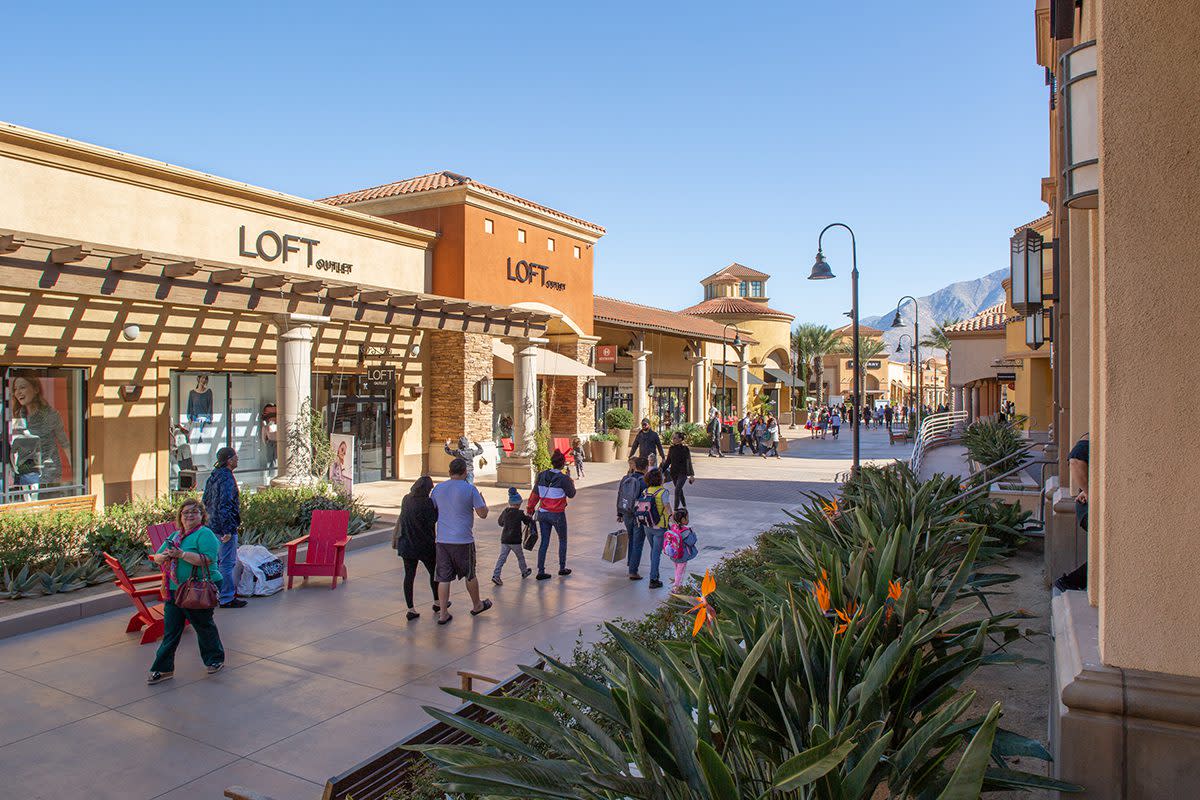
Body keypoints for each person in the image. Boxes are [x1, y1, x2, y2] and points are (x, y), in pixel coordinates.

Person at [146, 498, 225, 684]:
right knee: (171, 630)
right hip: (174, 589)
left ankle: (215, 659)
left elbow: (208, 559)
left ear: (202, 516)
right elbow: (157, 556)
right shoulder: (175, 536)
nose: (189, 515)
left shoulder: (205, 534)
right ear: (180, 516)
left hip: (199, 587)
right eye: (185, 512)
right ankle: (162, 669)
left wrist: (181, 555)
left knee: (203, 625)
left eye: (194, 512)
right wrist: (163, 556)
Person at [430, 458, 491, 624]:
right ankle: (477, 605)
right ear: (465, 472)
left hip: (442, 539)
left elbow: (433, 509)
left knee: (443, 577)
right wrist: (483, 503)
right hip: (463, 539)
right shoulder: (470, 489)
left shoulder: (438, 489)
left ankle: (443, 613)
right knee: (470, 574)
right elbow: (483, 514)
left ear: (449, 472)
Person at [10, 371, 71, 488]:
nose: (18, 392)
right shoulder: (18, 416)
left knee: (35, 495)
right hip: (25, 467)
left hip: (47, 469)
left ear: (36, 389)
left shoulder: (50, 415)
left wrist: (75, 472)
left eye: (22, 387)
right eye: (15, 389)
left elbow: (65, 444)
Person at [203, 446, 245, 609]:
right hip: (223, 528)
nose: (237, 459)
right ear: (229, 460)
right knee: (227, 563)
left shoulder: (213, 476)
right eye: (235, 457)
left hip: (212, 526)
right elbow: (225, 504)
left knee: (216, 562)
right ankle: (227, 597)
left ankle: (215, 594)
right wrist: (228, 529)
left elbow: (206, 500)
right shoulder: (227, 478)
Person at [527, 449, 577, 579]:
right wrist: (571, 482)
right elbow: (571, 494)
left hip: (543, 513)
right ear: (563, 464)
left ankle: (541, 571)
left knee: (544, 541)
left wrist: (530, 509)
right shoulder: (564, 479)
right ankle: (562, 567)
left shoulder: (541, 475)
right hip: (557, 514)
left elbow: (534, 495)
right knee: (562, 540)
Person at [394, 476, 439, 621]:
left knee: (409, 576)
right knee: (434, 574)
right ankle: (437, 602)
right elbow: (433, 520)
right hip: (425, 544)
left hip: (407, 544)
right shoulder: (427, 502)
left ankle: (411, 608)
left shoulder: (406, 499)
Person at [635, 468, 672, 589]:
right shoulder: (663, 492)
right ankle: (653, 578)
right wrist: (674, 520)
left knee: (653, 551)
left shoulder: (646, 491)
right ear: (660, 479)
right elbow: (667, 508)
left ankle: (654, 574)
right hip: (660, 527)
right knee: (656, 553)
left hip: (647, 525)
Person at [492, 487, 533, 585]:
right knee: (520, 557)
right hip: (515, 541)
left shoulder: (505, 511)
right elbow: (527, 521)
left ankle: (496, 575)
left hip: (505, 540)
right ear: (518, 504)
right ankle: (524, 571)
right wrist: (530, 517)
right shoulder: (520, 513)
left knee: (502, 558)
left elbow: (500, 522)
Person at [618, 456, 649, 580]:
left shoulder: (626, 478)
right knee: (638, 542)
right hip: (638, 515)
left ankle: (631, 563)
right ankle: (633, 571)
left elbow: (620, 495)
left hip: (626, 512)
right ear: (646, 467)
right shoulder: (644, 482)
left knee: (631, 538)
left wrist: (619, 513)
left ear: (635, 466)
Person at [663, 508, 699, 592]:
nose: (688, 519)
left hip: (674, 553)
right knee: (681, 571)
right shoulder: (685, 531)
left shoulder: (673, 527)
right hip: (682, 555)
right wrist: (692, 533)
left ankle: (677, 584)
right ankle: (677, 587)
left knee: (677, 569)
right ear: (683, 519)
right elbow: (691, 542)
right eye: (687, 517)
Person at [662, 431, 695, 509]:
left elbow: (688, 461)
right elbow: (668, 461)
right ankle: (684, 506)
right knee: (679, 491)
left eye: (675, 438)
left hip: (683, 473)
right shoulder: (672, 448)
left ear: (680, 439)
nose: (673, 439)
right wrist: (661, 471)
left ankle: (675, 509)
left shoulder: (685, 449)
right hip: (674, 473)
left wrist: (691, 475)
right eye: (673, 438)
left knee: (677, 490)